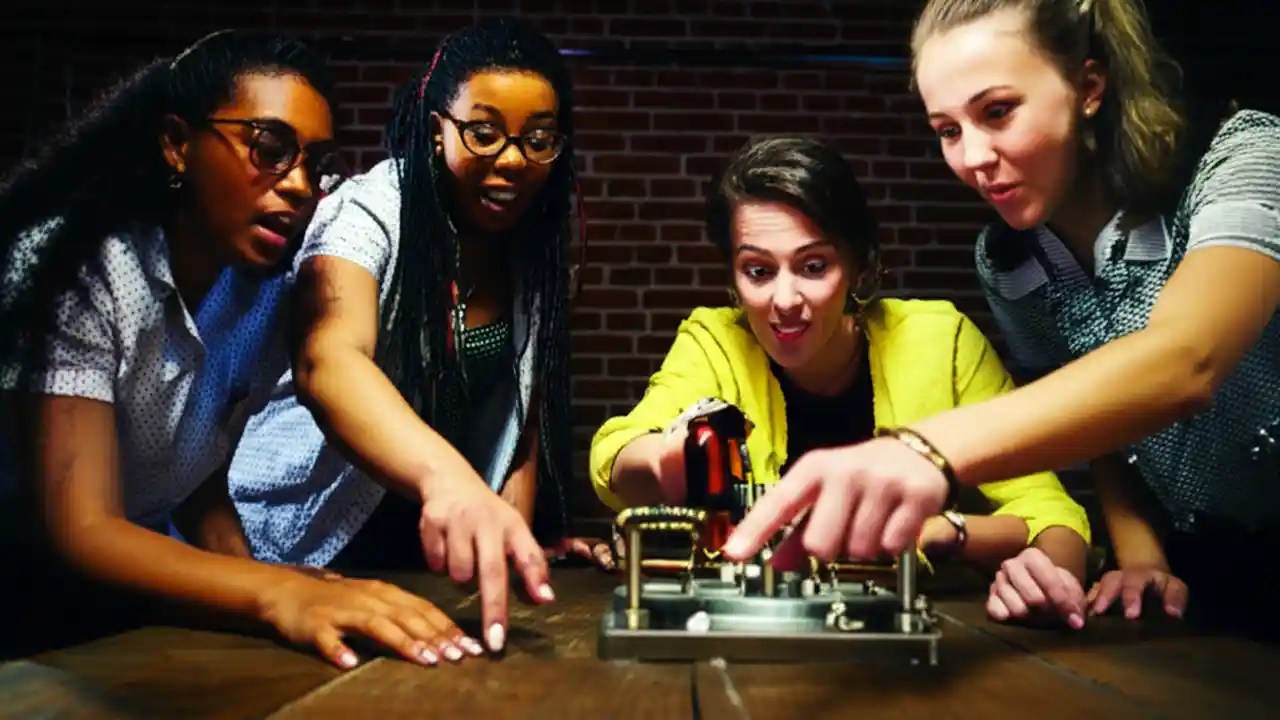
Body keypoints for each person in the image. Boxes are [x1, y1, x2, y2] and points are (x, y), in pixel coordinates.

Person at [723, 0, 1280, 639]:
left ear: (1088, 87)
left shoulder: (1244, 156)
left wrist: (923, 452)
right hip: (1206, 573)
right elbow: (1093, 423)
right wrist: (1142, 558)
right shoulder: (1009, 259)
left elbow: (1188, 359)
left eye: (997, 112)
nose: (972, 159)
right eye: (947, 130)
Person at [0, 30, 478, 668]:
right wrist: (274, 592)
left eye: (315, 161)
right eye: (271, 148)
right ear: (176, 144)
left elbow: (198, 485)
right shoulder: (82, 267)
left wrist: (283, 585)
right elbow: (83, 529)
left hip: (119, 613)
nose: (301, 184)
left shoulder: (260, 295)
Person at [591, 136, 1092, 626]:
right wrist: (667, 460)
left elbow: (1051, 515)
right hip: (753, 635)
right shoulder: (716, 339)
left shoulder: (942, 342)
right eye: (758, 271)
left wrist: (949, 535)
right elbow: (617, 453)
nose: (785, 299)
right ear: (732, 279)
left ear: (858, 266)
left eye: (813, 266)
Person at [228, 18, 599, 657]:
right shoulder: (369, 210)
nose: (512, 158)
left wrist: (512, 538)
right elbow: (330, 358)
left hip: (423, 563)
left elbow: (521, 420)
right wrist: (449, 482)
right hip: (297, 549)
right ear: (436, 130)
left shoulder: (532, 249)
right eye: (483, 133)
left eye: (538, 139)